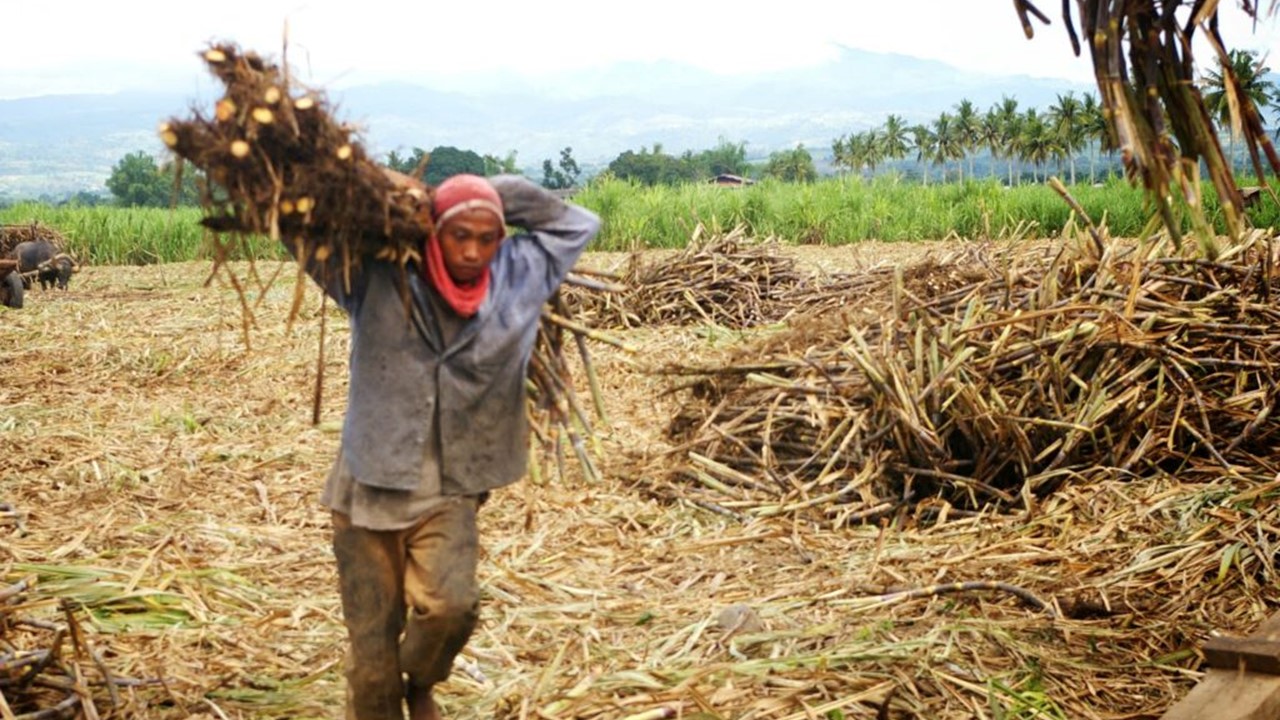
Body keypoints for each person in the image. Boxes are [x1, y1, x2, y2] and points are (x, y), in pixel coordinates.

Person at [299, 173, 601, 720]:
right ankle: (388, 689)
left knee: (452, 608)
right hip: (368, 487)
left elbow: (577, 223)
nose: (472, 250)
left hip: (452, 486)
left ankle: (421, 678)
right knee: (371, 664)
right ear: (432, 233)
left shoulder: (520, 275)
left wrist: (486, 191)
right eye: (459, 234)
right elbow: (301, 232)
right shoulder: (376, 276)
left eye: (487, 237)